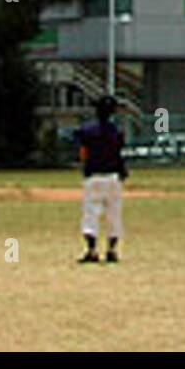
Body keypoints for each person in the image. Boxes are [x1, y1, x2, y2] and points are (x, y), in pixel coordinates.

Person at [75, 95, 128, 263]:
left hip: (94, 176)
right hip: (112, 177)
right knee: (114, 214)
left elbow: (83, 153)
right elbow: (119, 154)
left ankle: (91, 250)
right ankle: (112, 250)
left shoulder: (87, 130)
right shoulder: (117, 131)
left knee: (91, 214)